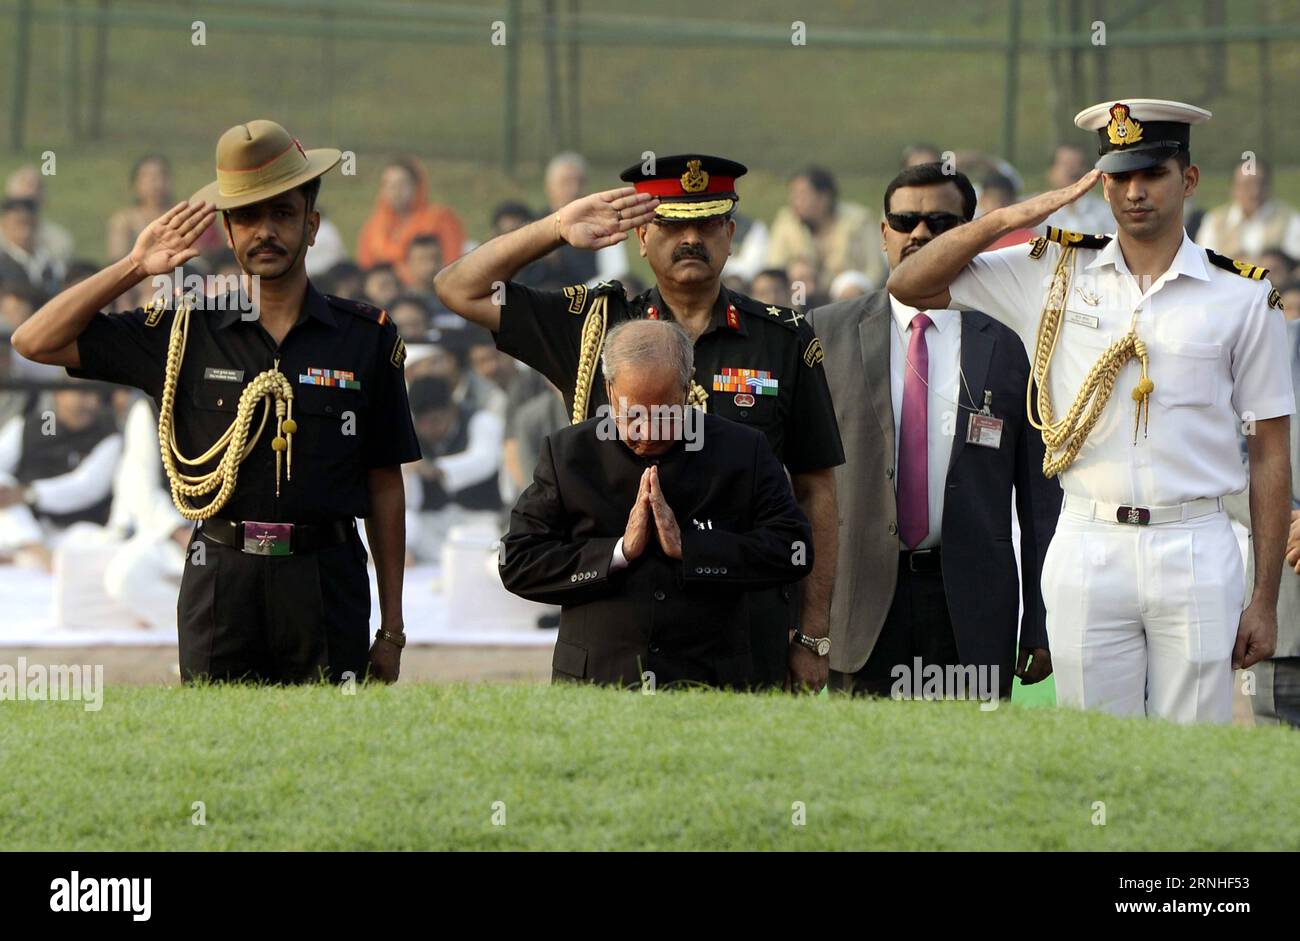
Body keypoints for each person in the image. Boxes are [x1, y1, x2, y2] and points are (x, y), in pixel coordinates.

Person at [889, 99, 1294, 723]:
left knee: (1191, 746)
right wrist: (1020, 215)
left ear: (1187, 180)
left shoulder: (1243, 295)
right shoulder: (1052, 266)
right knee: (1092, 745)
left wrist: (1264, 597)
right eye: (1119, 176)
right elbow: (911, 281)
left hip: (1193, 540)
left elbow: (1269, 447)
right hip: (1087, 538)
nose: (1135, 192)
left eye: (1152, 174)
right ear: (1101, 182)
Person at [11, 119, 423, 684]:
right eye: (248, 217)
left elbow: (384, 482)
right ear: (227, 232)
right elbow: (35, 341)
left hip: (327, 579)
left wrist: (393, 627)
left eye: (283, 213)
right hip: (220, 575)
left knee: (329, 756)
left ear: (312, 224)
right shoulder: (184, 327)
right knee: (214, 752)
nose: (265, 232)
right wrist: (135, 265)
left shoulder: (366, 336)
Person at [435, 153, 844, 692]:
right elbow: (458, 287)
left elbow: (815, 491)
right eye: (672, 225)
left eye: (706, 224)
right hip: (613, 633)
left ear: (731, 233)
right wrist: (557, 227)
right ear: (641, 236)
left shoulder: (783, 339)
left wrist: (813, 635)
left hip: (739, 632)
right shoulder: (593, 324)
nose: (690, 238)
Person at [809, 162, 1059, 700]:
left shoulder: (1015, 343)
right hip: (858, 604)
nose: (919, 233)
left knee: (970, 772)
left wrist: (1040, 619)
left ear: (970, 234)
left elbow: (1039, 500)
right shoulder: (824, 333)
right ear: (883, 233)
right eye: (904, 220)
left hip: (972, 605)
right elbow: (797, 483)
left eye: (942, 223)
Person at [499, 319, 812, 688]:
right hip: (598, 680)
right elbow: (518, 561)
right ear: (609, 389)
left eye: (665, 413)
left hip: (710, 681)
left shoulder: (743, 451)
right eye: (632, 416)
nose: (648, 433)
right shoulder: (569, 454)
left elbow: (794, 549)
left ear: (687, 385)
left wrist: (692, 549)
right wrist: (617, 552)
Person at [0, 386, 122, 570]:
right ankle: (35, 551)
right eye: (83, 394)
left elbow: (86, 488)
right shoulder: (33, 426)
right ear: (59, 394)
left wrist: (31, 494)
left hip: (73, 529)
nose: (92, 403)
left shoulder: (107, 435)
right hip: (24, 524)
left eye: (96, 396)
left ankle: (28, 557)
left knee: (100, 547)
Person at [766, 166, 886, 290]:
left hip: (848, 300)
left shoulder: (859, 222)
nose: (794, 201)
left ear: (824, 197)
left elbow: (875, 270)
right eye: (793, 195)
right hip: (802, 296)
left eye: (802, 195)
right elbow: (774, 267)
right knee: (799, 276)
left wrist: (854, 285)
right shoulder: (787, 222)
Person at [357, 158, 465, 281]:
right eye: (389, 185)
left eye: (401, 184)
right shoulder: (373, 227)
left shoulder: (440, 218)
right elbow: (365, 270)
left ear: (417, 186)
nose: (395, 191)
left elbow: (452, 265)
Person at [1197, 160, 1300, 262]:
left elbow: (1295, 263)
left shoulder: (1289, 219)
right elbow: (1204, 261)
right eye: (1246, 186)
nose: (1254, 192)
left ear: (1269, 186)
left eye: (1260, 184)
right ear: (1233, 188)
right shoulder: (1214, 221)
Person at [1042, 143, 1114, 235]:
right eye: (1065, 164)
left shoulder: (1105, 211)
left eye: (1076, 164)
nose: (1071, 169)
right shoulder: (1040, 212)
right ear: (1051, 173)